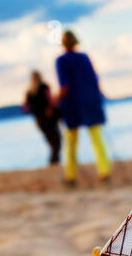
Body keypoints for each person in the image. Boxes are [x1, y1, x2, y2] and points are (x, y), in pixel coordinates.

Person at [54, 30, 111, 186]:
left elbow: (64, 86)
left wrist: (55, 101)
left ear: (64, 44)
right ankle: (104, 172)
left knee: (71, 142)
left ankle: (70, 176)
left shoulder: (61, 61)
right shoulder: (84, 57)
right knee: (97, 138)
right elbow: (95, 80)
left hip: (72, 105)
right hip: (90, 102)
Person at [23, 71, 61, 165]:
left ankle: (53, 162)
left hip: (39, 120)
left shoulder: (29, 92)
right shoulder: (44, 87)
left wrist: (35, 112)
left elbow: (25, 108)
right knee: (57, 141)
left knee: (51, 141)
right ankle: (54, 163)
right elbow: (50, 100)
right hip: (49, 117)